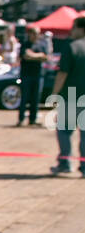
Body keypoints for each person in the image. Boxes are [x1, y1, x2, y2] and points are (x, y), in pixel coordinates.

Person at [50, 14, 85, 176]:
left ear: (80, 28)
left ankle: (65, 163)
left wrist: (54, 94)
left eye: (74, 27)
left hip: (71, 96)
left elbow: (62, 74)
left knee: (64, 131)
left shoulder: (72, 47)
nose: (71, 31)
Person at [17, 26, 49, 126]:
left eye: (38, 33)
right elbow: (26, 56)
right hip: (26, 75)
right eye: (34, 33)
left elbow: (45, 57)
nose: (36, 36)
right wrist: (38, 56)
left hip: (38, 75)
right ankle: (21, 119)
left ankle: (33, 120)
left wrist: (33, 55)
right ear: (29, 34)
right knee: (24, 98)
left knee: (36, 99)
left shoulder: (42, 45)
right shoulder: (25, 44)